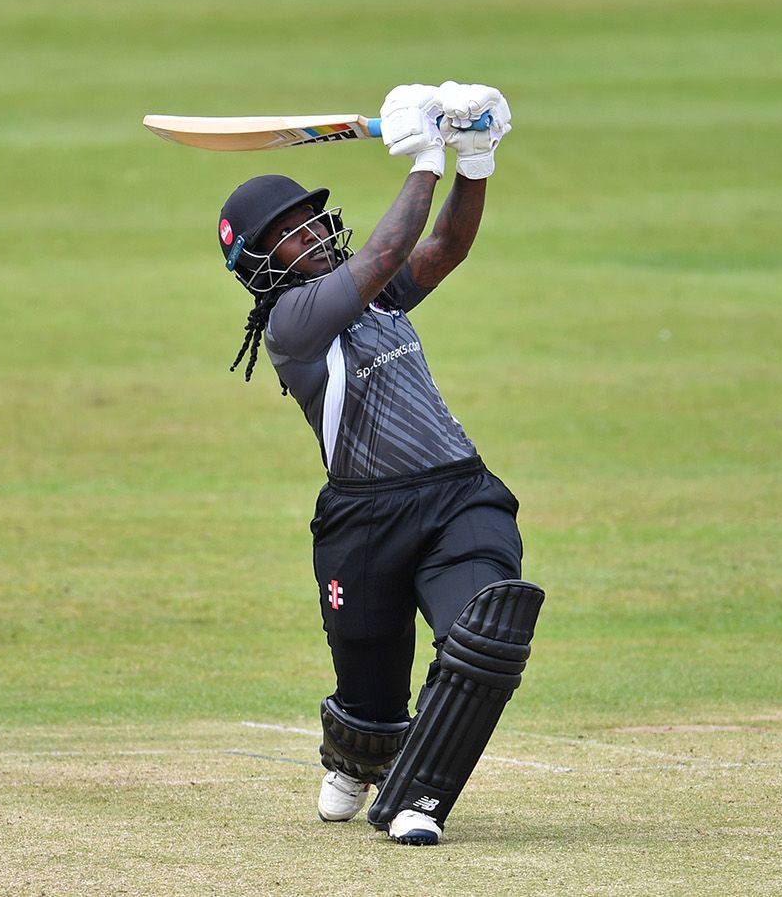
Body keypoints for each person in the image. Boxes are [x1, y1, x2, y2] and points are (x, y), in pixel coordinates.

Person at [216, 83, 544, 845]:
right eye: (290, 233)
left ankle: (416, 800)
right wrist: (421, 159)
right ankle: (357, 756)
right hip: (363, 524)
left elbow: (443, 248)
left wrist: (473, 156)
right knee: (370, 704)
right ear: (261, 267)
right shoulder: (292, 325)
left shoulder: (374, 296)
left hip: (459, 494)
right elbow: (389, 248)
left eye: (311, 218)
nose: (315, 233)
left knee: (487, 633)